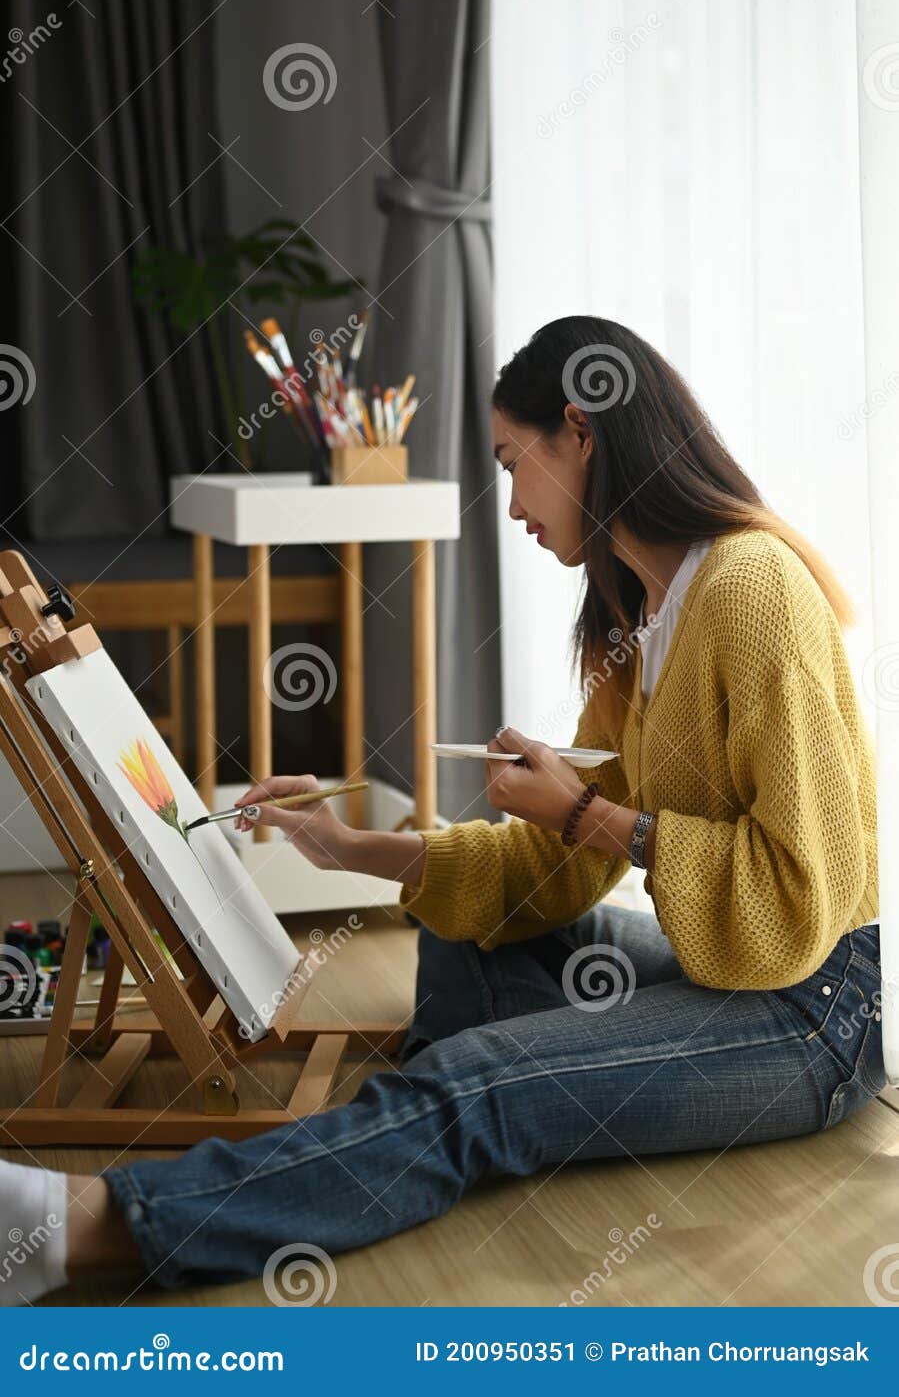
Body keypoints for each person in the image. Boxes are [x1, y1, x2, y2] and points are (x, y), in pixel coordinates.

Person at [0, 315, 883, 1305]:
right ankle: (404, 1138)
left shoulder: (751, 590)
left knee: (475, 1085)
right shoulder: (641, 617)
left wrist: (589, 814)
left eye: (513, 462)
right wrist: (356, 849)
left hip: (811, 1012)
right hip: (727, 966)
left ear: (579, 432)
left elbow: (799, 898)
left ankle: (89, 1227)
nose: (510, 504)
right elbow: (553, 877)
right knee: (469, 933)